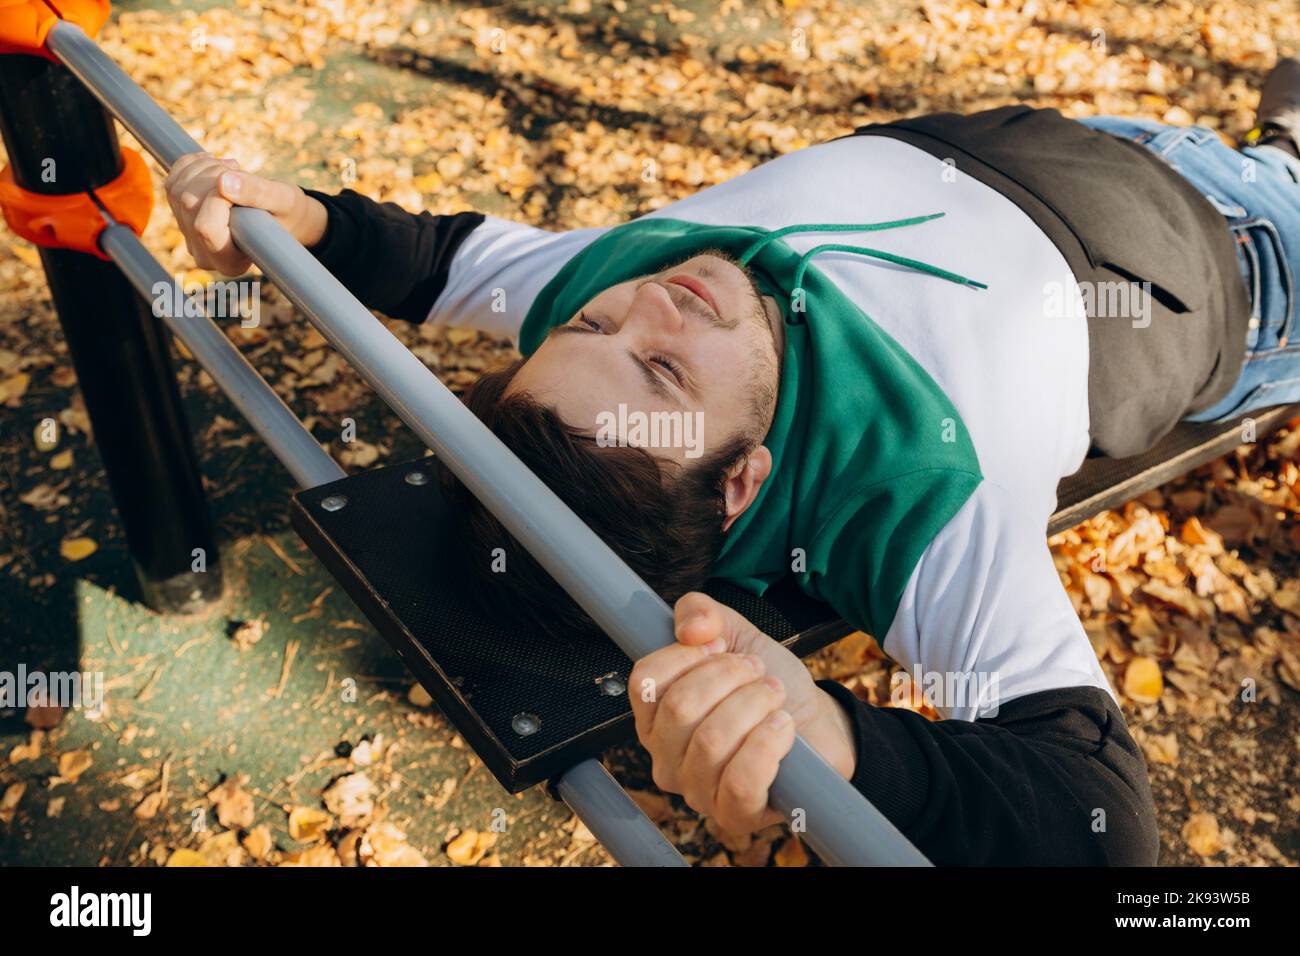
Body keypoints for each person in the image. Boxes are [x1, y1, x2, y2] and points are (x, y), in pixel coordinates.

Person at [163, 58, 1300, 865]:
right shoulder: (909, 492)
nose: (651, 302)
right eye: (663, 369)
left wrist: (297, 220)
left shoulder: (602, 308)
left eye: (588, 332)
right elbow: (1097, 817)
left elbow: (444, 259)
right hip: (1241, 257)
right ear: (746, 477)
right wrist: (839, 742)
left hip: (1060, 138)